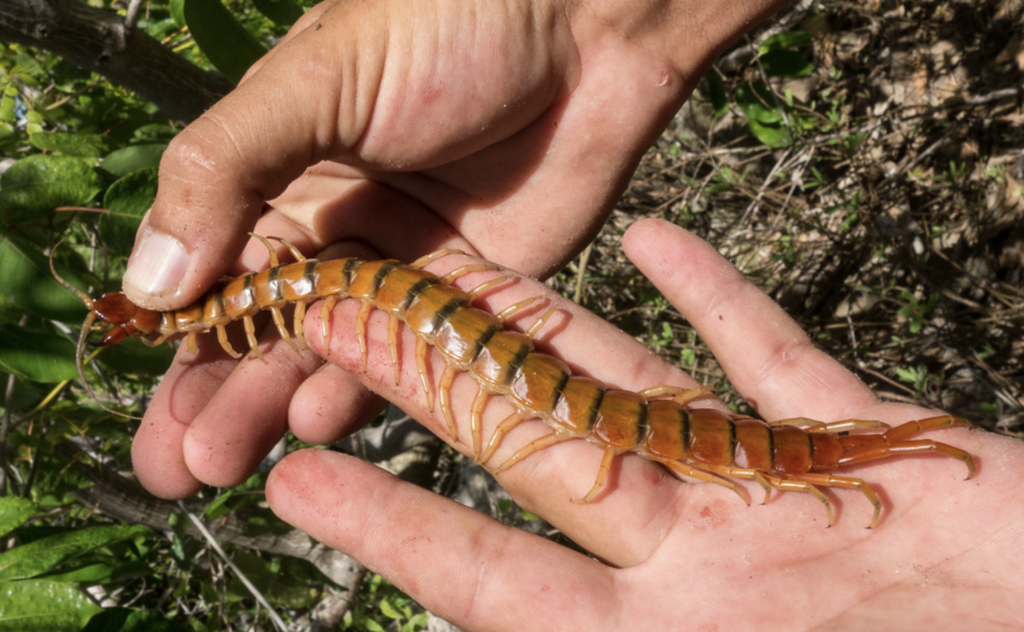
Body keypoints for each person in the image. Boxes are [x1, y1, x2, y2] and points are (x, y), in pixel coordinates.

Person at [124, 0, 1024, 628]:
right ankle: (855, 457)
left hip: (647, 418)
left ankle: (846, 456)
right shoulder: (296, 283)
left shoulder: (297, 273)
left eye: (161, 319)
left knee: (771, 452)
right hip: (459, 344)